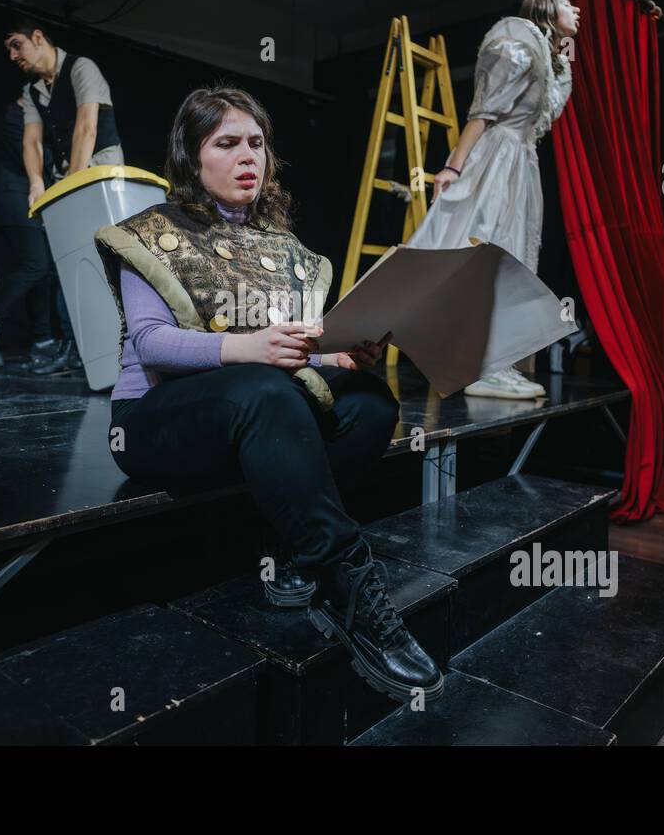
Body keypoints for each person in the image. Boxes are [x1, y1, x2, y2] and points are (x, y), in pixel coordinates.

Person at [94, 87, 443, 702]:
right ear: (191, 156)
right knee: (262, 387)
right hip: (155, 421)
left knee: (368, 400)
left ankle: (286, 541)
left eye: (255, 143)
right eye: (226, 144)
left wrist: (342, 353)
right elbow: (150, 344)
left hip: (253, 409)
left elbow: (293, 350)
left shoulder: (282, 249)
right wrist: (252, 347)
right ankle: (346, 583)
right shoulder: (147, 233)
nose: (247, 156)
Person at [407, 0, 580, 399]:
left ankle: (494, 363)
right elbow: (483, 112)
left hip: (521, 160)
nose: (576, 10)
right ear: (544, 10)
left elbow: (546, 113)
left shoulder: (543, 55)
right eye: (566, 3)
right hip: (500, 158)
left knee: (515, 258)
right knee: (490, 251)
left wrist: (563, 64)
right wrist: (453, 166)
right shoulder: (515, 43)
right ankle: (477, 364)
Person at [0, 17, 123, 373]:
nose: (12, 55)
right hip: (66, 179)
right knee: (68, 264)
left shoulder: (82, 68)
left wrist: (74, 183)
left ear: (38, 37)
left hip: (99, 173)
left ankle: (120, 346)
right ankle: (74, 347)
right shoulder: (33, 92)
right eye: (7, 50)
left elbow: (87, 126)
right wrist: (37, 183)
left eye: (16, 45)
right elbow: (31, 141)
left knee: (104, 261)